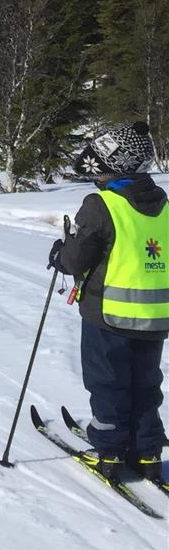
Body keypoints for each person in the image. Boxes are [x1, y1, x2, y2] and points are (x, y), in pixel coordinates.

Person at [49, 121, 166, 484]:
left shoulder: (101, 204)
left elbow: (75, 260)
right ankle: (146, 450)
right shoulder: (162, 204)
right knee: (145, 381)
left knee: (108, 381)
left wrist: (60, 252)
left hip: (109, 314)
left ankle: (110, 450)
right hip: (157, 316)